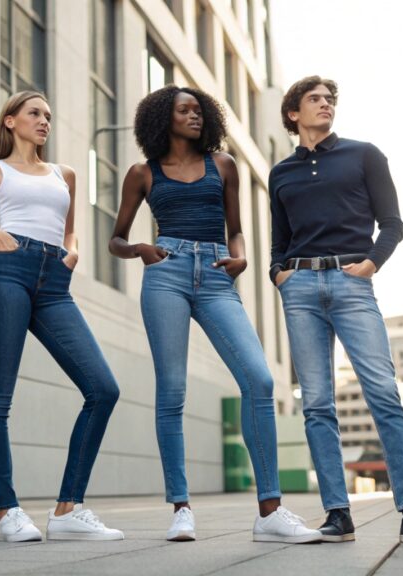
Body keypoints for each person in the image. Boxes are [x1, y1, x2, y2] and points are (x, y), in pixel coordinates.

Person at [109, 85, 322, 544]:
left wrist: (240, 258)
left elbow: (237, 231)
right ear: (163, 118)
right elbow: (117, 239)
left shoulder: (223, 165)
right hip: (165, 273)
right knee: (172, 389)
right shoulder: (142, 174)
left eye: (199, 111)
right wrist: (141, 249)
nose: (195, 117)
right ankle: (181, 507)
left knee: (259, 379)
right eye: (184, 110)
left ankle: (270, 511)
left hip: (216, 273)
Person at [269, 75, 403, 545]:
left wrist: (370, 264)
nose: (325, 105)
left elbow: (392, 223)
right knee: (316, 404)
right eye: (314, 99)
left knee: (383, 393)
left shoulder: (364, 154)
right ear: (293, 113)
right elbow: (279, 236)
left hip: (352, 284)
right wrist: (278, 271)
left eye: (329, 99)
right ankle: (338, 514)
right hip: (300, 288)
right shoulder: (282, 173)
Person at [0, 91, 123, 542]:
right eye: (34, 113)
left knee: (103, 388)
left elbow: (68, 230)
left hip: (54, 284)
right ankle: (8, 511)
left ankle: (68, 508)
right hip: (4, 274)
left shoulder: (65, 174)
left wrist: (75, 251)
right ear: (10, 121)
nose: (44, 120)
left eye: (48, 114)